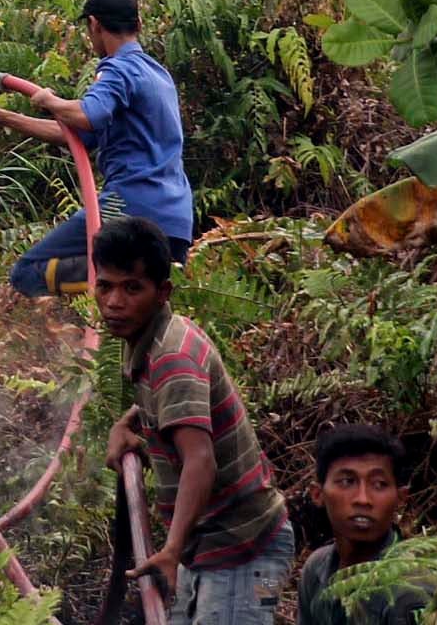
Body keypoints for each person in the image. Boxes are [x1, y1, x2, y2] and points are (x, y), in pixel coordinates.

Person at [92, 217, 293, 622]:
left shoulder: (172, 358)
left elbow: (200, 461)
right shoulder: (157, 340)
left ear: (162, 291)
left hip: (244, 548)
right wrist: (125, 424)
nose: (114, 302)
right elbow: (170, 404)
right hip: (209, 548)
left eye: (132, 288)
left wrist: (169, 549)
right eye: (105, 286)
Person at [0, 0, 197, 297]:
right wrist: (4, 116)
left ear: (94, 25)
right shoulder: (157, 74)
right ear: (139, 24)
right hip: (176, 220)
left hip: (127, 208)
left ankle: (90, 309)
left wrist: (48, 100)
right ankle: (137, 287)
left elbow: (89, 114)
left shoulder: (119, 69)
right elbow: (78, 137)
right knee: (143, 310)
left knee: (28, 274)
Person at [298, 425, 430, 625]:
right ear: (318, 494)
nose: (363, 499)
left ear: (401, 498)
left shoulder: (411, 590)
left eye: (379, 484)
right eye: (346, 481)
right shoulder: (316, 569)